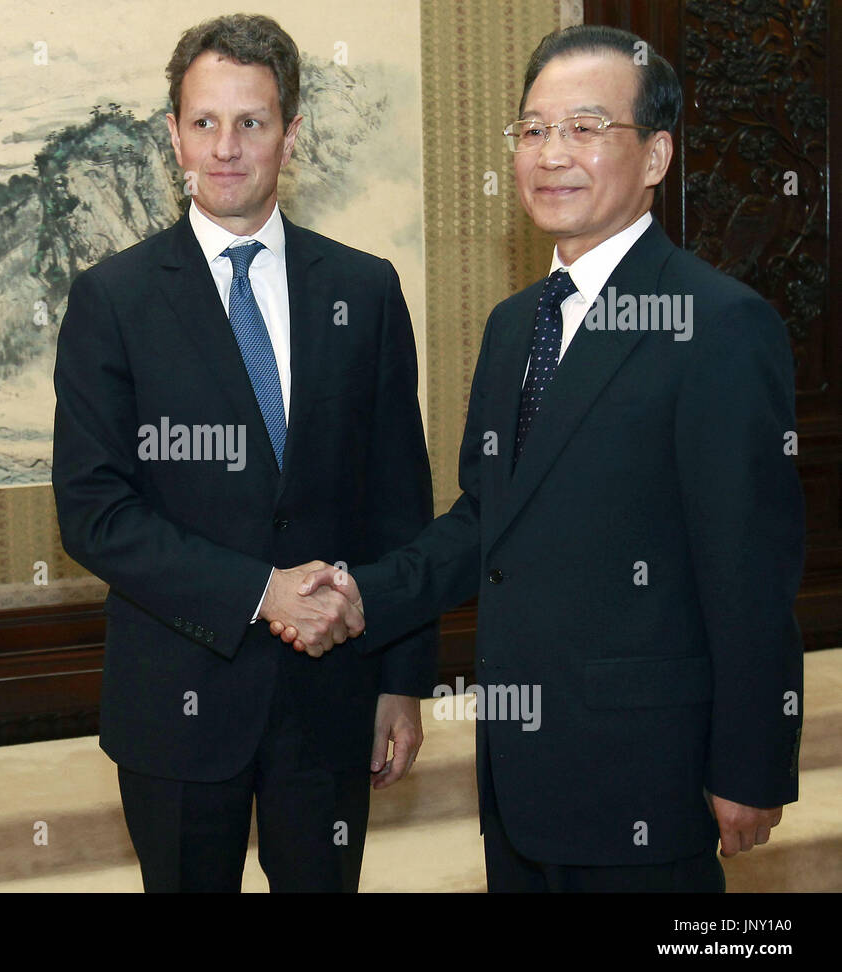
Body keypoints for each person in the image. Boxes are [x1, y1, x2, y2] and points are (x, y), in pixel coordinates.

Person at [280, 25, 804, 892]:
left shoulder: (717, 324)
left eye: (586, 128)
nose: (551, 154)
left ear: (656, 156)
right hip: (520, 776)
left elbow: (751, 570)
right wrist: (360, 590)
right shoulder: (514, 324)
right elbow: (486, 523)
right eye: (532, 130)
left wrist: (750, 766)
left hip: (645, 774)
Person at [52, 13, 437, 893]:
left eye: (252, 122)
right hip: (178, 707)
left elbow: (399, 505)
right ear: (174, 135)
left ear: (290, 134)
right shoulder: (112, 300)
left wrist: (403, 680)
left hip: (333, 701)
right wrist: (263, 592)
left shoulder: (364, 290)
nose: (226, 148)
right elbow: (94, 513)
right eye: (203, 123)